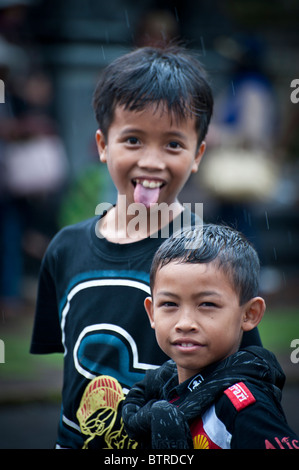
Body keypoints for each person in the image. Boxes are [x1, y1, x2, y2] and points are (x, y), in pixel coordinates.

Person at [30, 45, 260, 449]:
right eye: (133, 139)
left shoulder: (216, 257)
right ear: (103, 145)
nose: (152, 161)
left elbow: (243, 372)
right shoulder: (64, 249)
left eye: (173, 144)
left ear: (197, 155)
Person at [122, 224, 299, 449]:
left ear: (249, 314)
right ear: (152, 312)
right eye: (169, 304)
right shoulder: (156, 391)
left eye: (207, 304)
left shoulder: (244, 407)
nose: (185, 323)